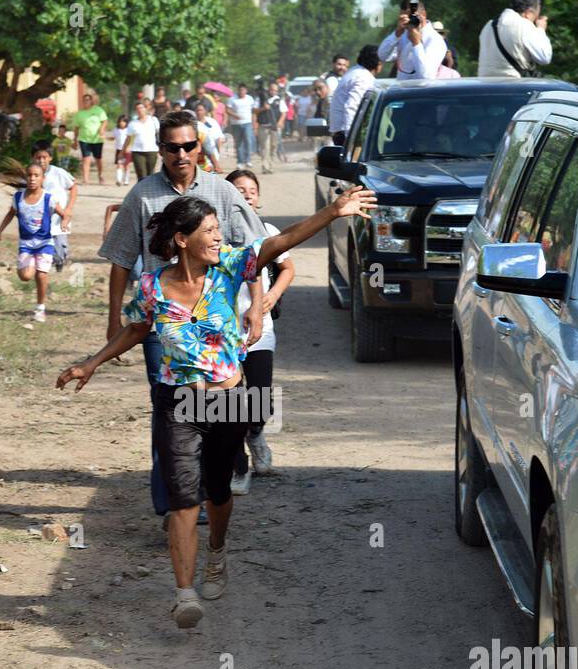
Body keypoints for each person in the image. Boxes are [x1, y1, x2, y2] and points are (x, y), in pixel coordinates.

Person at [57, 186, 377, 627]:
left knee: (218, 490)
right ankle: (185, 593)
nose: (218, 237)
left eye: (219, 229)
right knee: (183, 499)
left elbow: (278, 244)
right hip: (178, 400)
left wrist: (333, 211)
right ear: (183, 239)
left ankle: (218, 551)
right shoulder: (151, 285)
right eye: (209, 230)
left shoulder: (229, 268)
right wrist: (91, 363)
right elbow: (137, 329)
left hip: (230, 397)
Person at [96, 109, 267, 521]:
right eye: (172, 147)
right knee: (169, 405)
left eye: (189, 145)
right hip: (161, 320)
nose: (182, 154)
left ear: (200, 146)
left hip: (214, 322)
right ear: (160, 150)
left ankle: (209, 491)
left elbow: (253, 255)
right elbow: (121, 259)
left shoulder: (222, 193)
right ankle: (177, 504)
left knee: (214, 412)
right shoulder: (143, 195)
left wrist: (256, 309)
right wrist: (113, 319)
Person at [225, 169, 293, 495]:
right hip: (221, 332)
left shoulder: (267, 232)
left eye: (252, 189)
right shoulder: (214, 234)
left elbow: (287, 268)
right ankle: (237, 467)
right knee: (230, 400)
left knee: (261, 397)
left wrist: (273, 295)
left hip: (260, 328)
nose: (247, 194)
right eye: (239, 189)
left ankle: (256, 432)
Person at [0, 162, 70, 323]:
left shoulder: (48, 198)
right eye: (29, 175)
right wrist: (0, 230)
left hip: (44, 242)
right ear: (25, 177)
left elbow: (65, 214)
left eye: (36, 175)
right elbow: (10, 214)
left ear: (43, 179)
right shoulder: (18, 197)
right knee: (26, 276)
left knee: (42, 275)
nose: (32, 179)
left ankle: (40, 308)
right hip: (26, 244)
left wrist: (64, 222)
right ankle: (33, 267)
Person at [477, 0, 553, 78]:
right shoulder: (524, 25)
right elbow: (544, 57)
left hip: (484, 85)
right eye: (536, 17)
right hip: (513, 85)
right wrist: (540, 29)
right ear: (528, 13)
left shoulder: (489, 25)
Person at [31, 142, 78, 270]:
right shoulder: (31, 174)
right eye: (38, 157)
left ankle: (60, 263)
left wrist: (68, 208)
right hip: (39, 218)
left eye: (44, 157)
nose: (41, 161)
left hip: (59, 217)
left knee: (60, 246)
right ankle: (44, 267)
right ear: (33, 158)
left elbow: (73, 187)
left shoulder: (58, 173)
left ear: (50, 157)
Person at [378, 0, 448, 80]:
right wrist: (396, 34)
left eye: (412, 16)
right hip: (402, 91)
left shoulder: (435, 40)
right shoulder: (402, 35)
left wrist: (417, 44)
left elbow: (425, 76)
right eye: (407, 17)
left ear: (424, 14)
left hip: (423, 92)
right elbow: (382, 56)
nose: (411, 20)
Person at [331, 45, 382, 145]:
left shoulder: (355, 72)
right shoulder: (363, 78)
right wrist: (353, 139)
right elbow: (351, 107)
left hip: (341, 131)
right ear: (378, 63)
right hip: (346, 133)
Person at [73, 92, 108, 185]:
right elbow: (76, 128)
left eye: (88, 100)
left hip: (97, 139)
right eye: (84, 100)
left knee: (98, 158)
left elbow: (104, 121)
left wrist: (102, 129)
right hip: (84, 139)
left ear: (91, 101)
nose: (86, 101)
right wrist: (74, 140)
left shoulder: (98, 110)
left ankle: (100, 176)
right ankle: (85, 179)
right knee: (86, 158)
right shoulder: (79, 113)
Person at [254, 82, 284, 174]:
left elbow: (284, 112)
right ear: (268, 89)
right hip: (263, 126)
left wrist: (280, 122)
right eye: (272, 89)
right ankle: (265, 166)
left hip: (275, 127)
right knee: (264, 147)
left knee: (273, 146)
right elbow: (254, 110)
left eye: (275, 90)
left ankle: (271, 166)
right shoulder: (260, 98)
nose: (273, 92)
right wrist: (263, 108)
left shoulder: (279, 100)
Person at [127, 100, 161, 180]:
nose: (140, 110)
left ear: (145, 109)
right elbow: (128, 138)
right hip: (137, 151)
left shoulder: (153, 120)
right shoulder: (132, 123)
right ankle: (141, 191)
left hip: (152, 150)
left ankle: (150, 191)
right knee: (141, 174)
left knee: (150, 173)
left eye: (141, 108)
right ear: (136, 111)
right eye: (137, 108)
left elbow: (159, 134)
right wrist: (123, 150)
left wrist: (162, 147)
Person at [226, 83, 256, 167]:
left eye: (243, 90)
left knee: (248, 141)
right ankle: (240, 161)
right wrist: (234, 115)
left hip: (247, 122)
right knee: (238, 142)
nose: (242, 92)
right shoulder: (232, 99)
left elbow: (253, 111)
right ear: (238, 90)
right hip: (236, 124)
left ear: (246, 90)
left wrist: (254, 122)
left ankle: (248, 160)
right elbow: (227, 110)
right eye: (240, 90)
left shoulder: (250, 99)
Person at [194, 103, 225, 174]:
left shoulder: (212, 122)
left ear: (205, 111)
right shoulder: (194, 124)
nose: (199, 112)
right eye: (197, 110)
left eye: (201, 110)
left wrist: (220, 152)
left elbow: (220, 137)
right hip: (202, 157)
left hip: (214, 154)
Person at [112, 114, 133, 185]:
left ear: (126, 122)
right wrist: (105, 137)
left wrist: (129, 148)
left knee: (126, 166)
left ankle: (126, 180)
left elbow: (130, 140)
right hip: (119, 149)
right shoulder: (116, 130)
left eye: (124, 122)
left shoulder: (128, 130)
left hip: (127, 150)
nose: (122, 123)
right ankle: (119, 180)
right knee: (119, 164)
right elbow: (113, 138)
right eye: (120, 121)